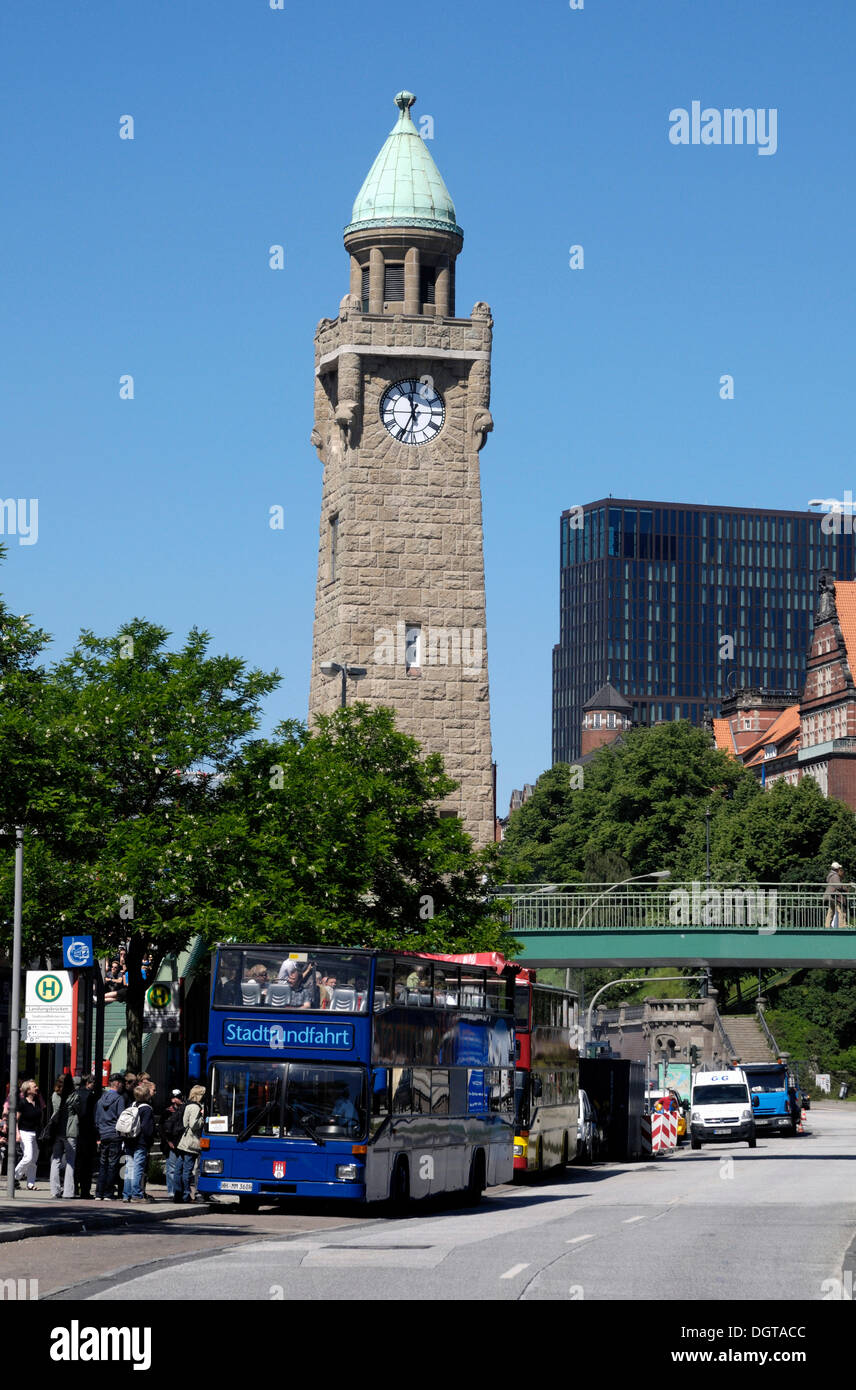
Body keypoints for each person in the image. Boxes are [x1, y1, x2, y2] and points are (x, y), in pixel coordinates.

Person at [122, 1082, 155, 1203]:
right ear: (147, 1096)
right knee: (138, 1168)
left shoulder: (132, 1105)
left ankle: (126, 1194)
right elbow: (147, 1128)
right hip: (141, 1142)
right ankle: (136, 1194)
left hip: (129, 1139)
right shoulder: (147, 1109)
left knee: (129, 1168)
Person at [95, 1073, 126, 1200]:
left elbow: (96, 1119)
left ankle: (99, 1193)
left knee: (103, 1164)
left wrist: (100, 1132)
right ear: (117, 1084)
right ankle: (108, 1193)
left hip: (103, 1134)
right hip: (115, 1134)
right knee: (113, 1164)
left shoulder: (101, 1099)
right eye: (122, 1083)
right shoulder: (119, 1099)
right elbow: (121, 1118)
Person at [174, 1085, 206, 1204]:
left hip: (184, 1141)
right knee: (187, 1170)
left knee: (179, 1169)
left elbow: (185, 1122)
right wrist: (203, 1118)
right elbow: (194, 1124)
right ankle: (186, 1195)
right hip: (191, 1143)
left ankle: (178, 1193)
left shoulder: (187, 1105)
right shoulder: (196, 1107)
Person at [50, 1074, 79, 1199]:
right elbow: (80, 1110)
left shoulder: (55, 1095)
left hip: (58, 1131)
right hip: (70, 1131)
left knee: (55, 1160)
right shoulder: (74, 1096)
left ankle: (55, 1190)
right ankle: (68, 1191)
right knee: (70, 1161)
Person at [13, 1080, 43, 1190]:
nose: (37, 1087)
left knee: (34, 1160)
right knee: (28, 1157)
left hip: (35, 1133)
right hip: (24, 1132)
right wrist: (17, 1133)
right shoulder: (22, 1103)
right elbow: (16, 1119)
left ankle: (30, 1183)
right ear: (28, 1090)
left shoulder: (37, 1101)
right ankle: (14, 1176)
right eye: (34, 1086)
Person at [74, 1075, 97, 1199]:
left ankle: (74, 1187)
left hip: (77, 1132)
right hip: (88, 1132)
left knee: (77, 1162)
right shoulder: (91, 1096)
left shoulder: (75, 1094)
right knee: (87, 1165)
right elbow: (94, 1115)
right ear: (88, 1083)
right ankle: (85, 1190)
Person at [160, 1090, 185, 1197]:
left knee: (180, 1168)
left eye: (178, 1097)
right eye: (174, 1097)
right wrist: (168, 1141)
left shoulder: (184, 1110)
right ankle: (171, 1191)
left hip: (181, 1143)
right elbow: (161, 1128)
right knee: (171, 1168)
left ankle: (178, 1190)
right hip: (170, 1143)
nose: (176, 1099)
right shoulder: (167, 1112)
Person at [824, 861, 855, 928]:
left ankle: (827, 926)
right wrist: (846, 887)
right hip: (835, 896)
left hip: (831, 896)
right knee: (841, 911)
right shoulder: (835, 876)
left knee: (831, 911)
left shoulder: (830, 875)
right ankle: (842, 926)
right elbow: (838, 886)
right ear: (836, 869)